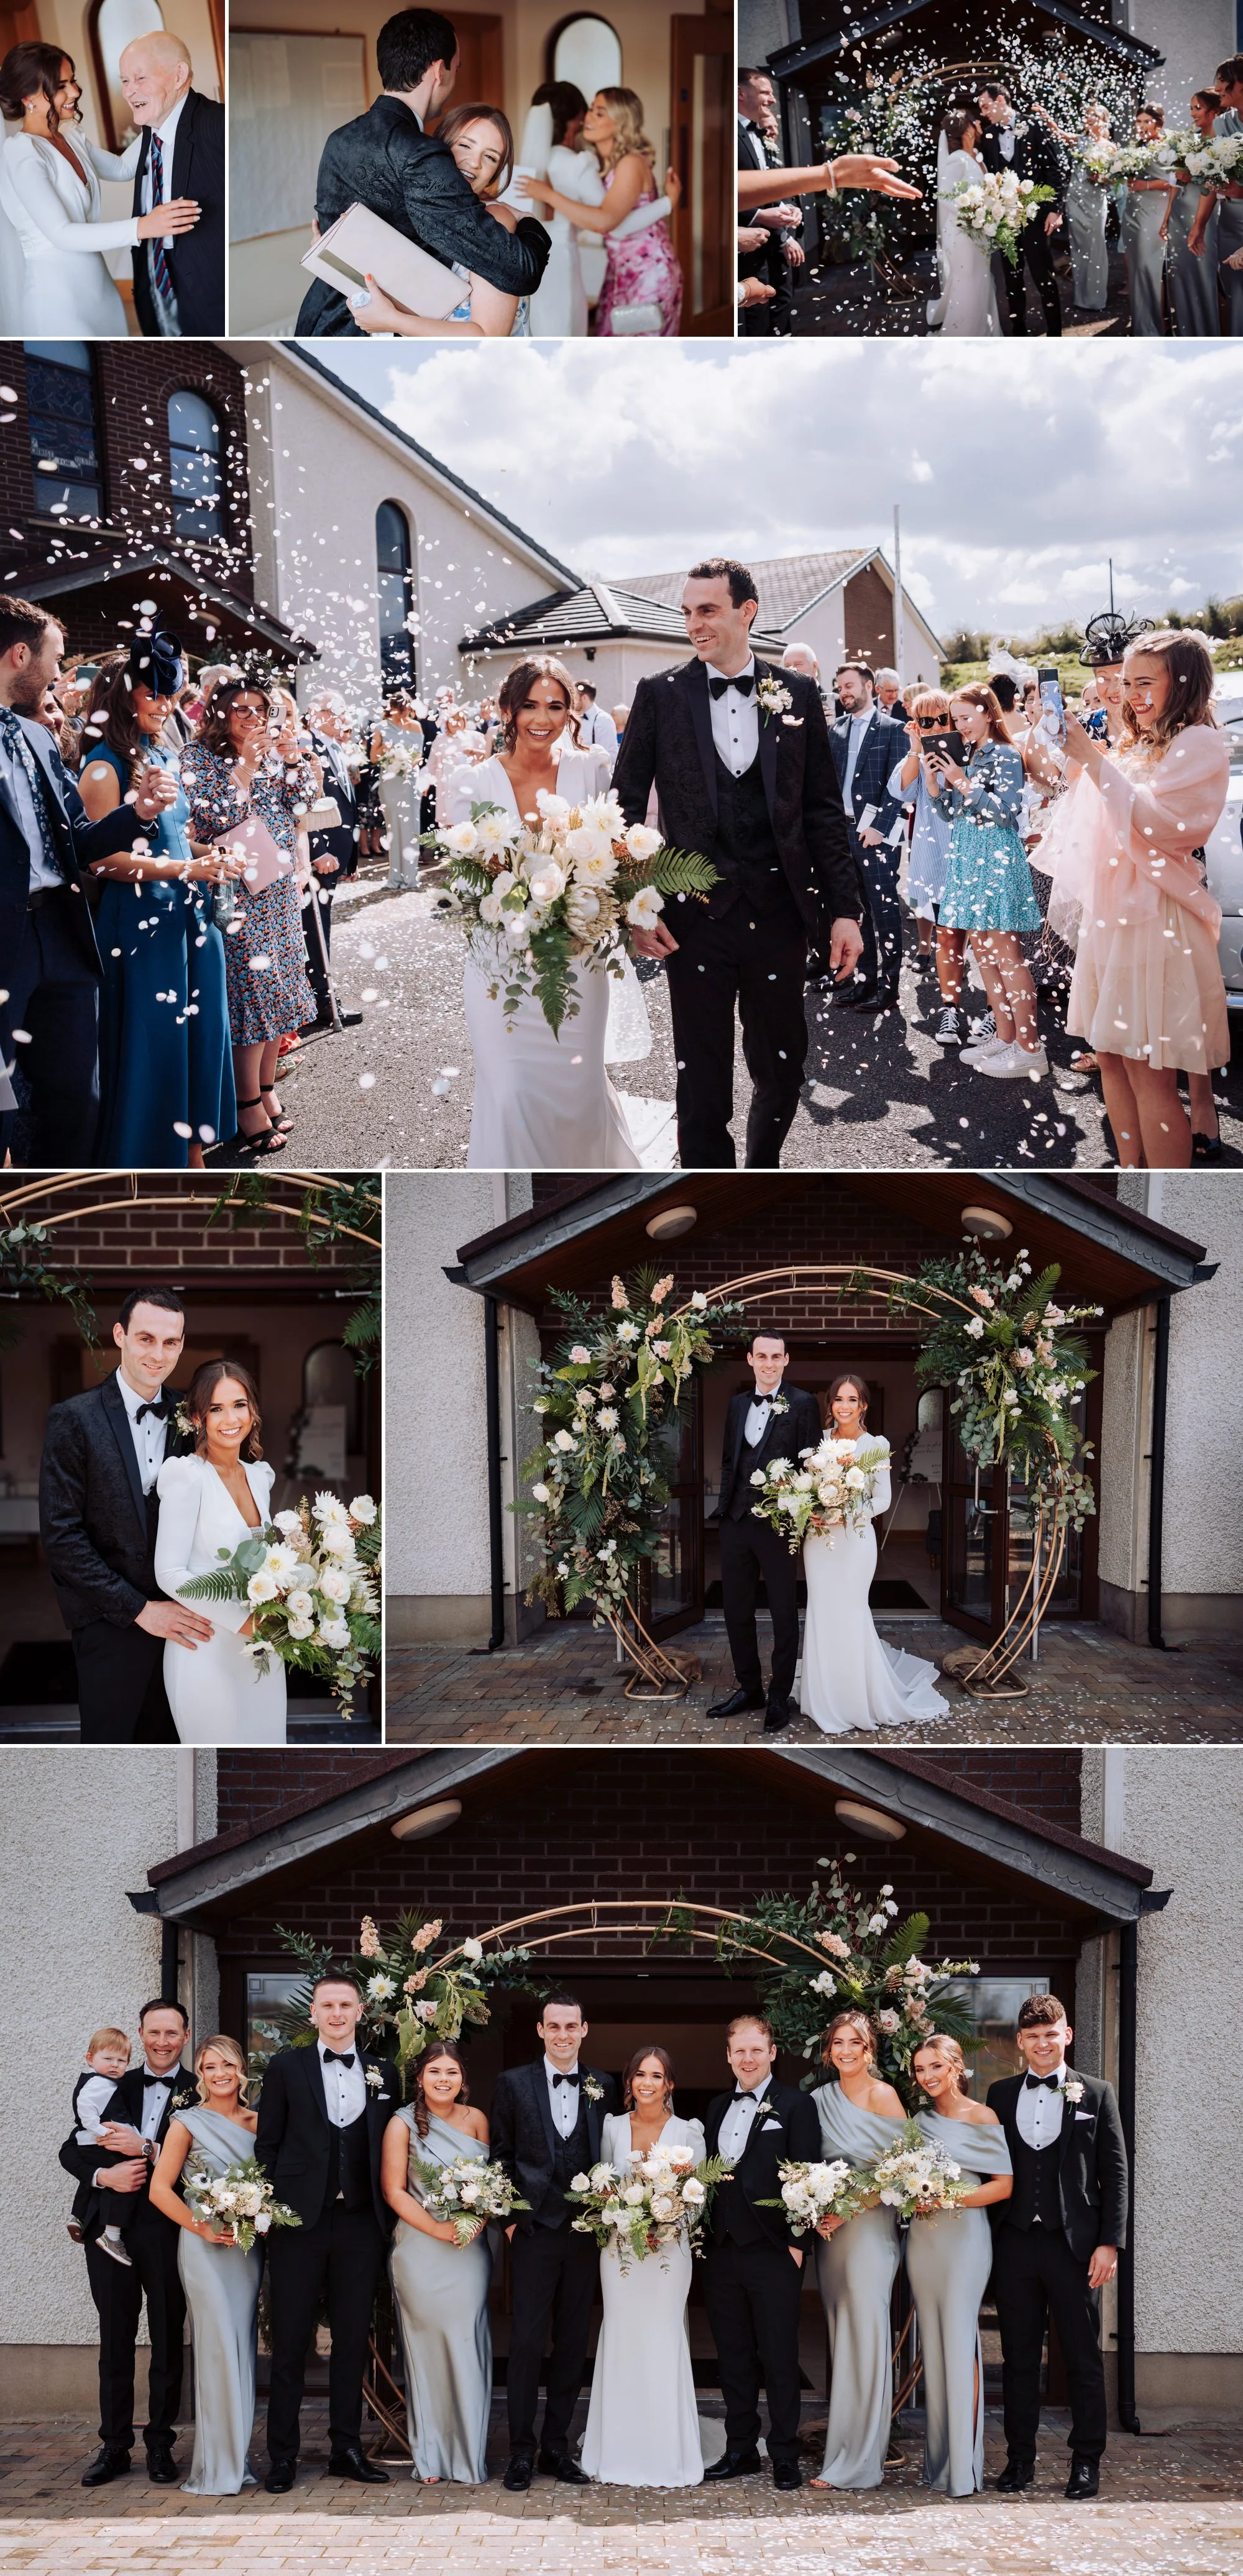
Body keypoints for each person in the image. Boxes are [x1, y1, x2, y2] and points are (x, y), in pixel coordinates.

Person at [613, 558, 863, 1167]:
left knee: (783, 1068)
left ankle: (762, 1169)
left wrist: (844, 911)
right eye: (687, 612)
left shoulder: (797, 692)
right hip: (692, 921)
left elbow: (822, 811)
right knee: (701, 1082)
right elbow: (623, 809)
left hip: (779, 915)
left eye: (708, 610)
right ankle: (711, 1188)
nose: (694, 624)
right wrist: (634, 908)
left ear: (746, 612)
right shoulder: (659, 695)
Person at [1042, 628, 1230, 1168]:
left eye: (1145, 682)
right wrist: (1078, 752)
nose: (1131, 695)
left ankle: (1166, 1192)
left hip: (1157, 916)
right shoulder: (1138, 741)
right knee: (1111, 1060)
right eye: (1126, 683)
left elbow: (1160, 825)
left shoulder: (1198, 742)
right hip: (1115, 914)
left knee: (1150, 1071)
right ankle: (1130, 1175)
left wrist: (1093, 760)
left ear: (1184, 682)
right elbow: (1099, 814)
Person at [0, 596, 177, 1163]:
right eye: (55, 659)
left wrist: (139, 812)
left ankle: (62, 1205)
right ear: (20, 655)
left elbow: (78, 837)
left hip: (61, 933)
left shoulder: (35, 737)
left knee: (77, 1098)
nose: (59, 674)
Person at [447, 654, 641, 1169]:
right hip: (499, 964)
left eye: (556, 706)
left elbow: (616, 858)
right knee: (511, 1092)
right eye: (530, 705)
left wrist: (593, 901)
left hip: (576, 960)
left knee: (578, 1089)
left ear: (570, 711)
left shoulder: (591, 768)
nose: (542, 718)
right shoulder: (472, 780)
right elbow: (461, 878)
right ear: (508, 710)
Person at [76, 633, 237, 1167]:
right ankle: (153, 1159)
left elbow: (174, 837)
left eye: (170, 696)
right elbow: (101, 860)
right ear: (123, 694)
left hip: (188, 914)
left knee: (199, 1033)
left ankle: (193, 1150)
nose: (166, 706)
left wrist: (213, 856)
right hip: (139, 924)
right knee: (158, 1041)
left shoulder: (162, 752)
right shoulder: (103, 767)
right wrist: (187, 868)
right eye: (154, 695)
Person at [296, 7, 549, 337]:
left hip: (321, 321)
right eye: (456, 68)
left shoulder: (339, 139)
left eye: (490, 157)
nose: (474, 162)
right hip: (374, 334)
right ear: (439, 71)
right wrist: (531, 224)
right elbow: (519, 271)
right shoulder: (422, 153)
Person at [39, 1287, 213, 1745]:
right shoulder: (74, 1419)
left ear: (182, 1344)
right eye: (145, 1339)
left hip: (187, 1622)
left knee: (180, 1746)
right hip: (109, 1624)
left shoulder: (193, 1416)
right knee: (113, 1749)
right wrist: (139, 1610)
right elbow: (61, 1536)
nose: (158, 1354)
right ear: (120, 1335)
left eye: (170, 1342)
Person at [256, 1973, 399, 2492]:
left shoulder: (384, 2071)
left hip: (360, 2222)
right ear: (314, 2013)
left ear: (361, 2011)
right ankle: (283, 2456)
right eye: (327, 2005)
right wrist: (273, 2208)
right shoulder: (285, 2067)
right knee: (291, 2341)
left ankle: (346, 2449)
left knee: (352, 2340)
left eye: (345, 2005)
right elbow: (267, 2144)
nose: (337, 2013)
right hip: (298, 2223)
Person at [986, 1993, 1127, 2501]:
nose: (1042, 2044)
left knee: (1083, 2358)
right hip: (1016, 2244)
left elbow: (1115, 2173)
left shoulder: (1097, 2093)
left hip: (1076, 2248)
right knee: (1018, 2359)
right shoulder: (1000, 2094)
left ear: (1066, 2035)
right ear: (1020, 2042)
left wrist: (1109, 2243)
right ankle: (1019, 2460)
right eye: (1033, 2036)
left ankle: (1086, 2462)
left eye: (1051, 2034)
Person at [57, 1997, 196, 2489]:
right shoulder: (113, 2079)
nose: (162, 2041)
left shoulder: (200, 2089)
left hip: (167, 2231)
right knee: (115, 2338)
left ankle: (160, 2443)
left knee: (167, 2337)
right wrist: (104, 2177)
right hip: (108, 2231)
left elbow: (207, 2164)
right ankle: (114, 2445)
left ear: (185, 2037)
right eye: (154, 2032)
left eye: (172, 2033)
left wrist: (150, 2150)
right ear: (141, 2035)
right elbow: (71, 2149)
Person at [181, 677, 317, 1156]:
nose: (254, 717)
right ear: (219, 711)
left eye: (261, 709)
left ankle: (265, 1088)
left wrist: (293, 761)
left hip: (277, 884)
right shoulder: (198, 756)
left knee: (278, 989)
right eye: (241, 708)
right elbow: (212, 816)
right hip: (237, 889)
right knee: (252, 993)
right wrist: (245, 767)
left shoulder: (273, 750)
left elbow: (300, 806)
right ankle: (245, 1105)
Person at [490, 1991, 617, 2490]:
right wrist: (512, 2220)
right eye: (554, 2026)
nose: (563, 2035)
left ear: (584, 2030)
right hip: (535, 2230)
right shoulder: (512, 2083)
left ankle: (556, 2448)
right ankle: (521, 2451)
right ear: (541, 2031)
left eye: (571, 2026)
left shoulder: (603, 2084)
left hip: (585, 2233)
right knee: (526, 2341)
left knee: (572, 2341)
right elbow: (501, 2154)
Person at [701, 2012, 820, 2492]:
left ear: (772, 2053)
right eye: (740, 2051)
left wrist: (797, 2244)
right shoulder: (716, 2107)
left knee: (779, 2357)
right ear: (729, 2056)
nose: (748, 2059)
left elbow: (808, 2175)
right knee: (733, 2357)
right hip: (722, 2251)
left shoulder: (796, 2105)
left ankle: (785, 2453)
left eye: (756, 2050)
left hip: (774, 2252)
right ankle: (741, 2450)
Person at [0, 43, 193, 334]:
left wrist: (157, 118)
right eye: (61, 86)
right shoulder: (21, 153)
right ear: (28, 97)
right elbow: (61, 233)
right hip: (57, 298)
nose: (75, 92)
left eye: (73, 80)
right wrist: (143, 226)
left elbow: (123, 168)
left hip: (100, 288)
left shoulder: (69, 136)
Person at [580, 2046, 707, 2486]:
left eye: (656, 2076)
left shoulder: (688, 2132)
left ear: (669, 2084)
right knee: (622, 2336)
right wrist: (620, 2216)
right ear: (629, 2082)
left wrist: (667, 2224)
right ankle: (617, 2449)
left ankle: (667, 2451)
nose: (647, 2083)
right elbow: (601, 2185)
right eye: (640, 2075)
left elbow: (699, 2198)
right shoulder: (612, 2127)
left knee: (662, 2337)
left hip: (669, 2252)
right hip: (621, 2252)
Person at [799, 1372, 949, 1729]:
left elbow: (882, 1499)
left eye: (852, 1400)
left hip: (855, 1541)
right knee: (821, 1612)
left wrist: (848, 1512)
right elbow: (806, 1488)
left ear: (863, 1405)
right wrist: (811, 1510)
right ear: (830, 1404)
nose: (845, 1406)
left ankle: (856, 1697)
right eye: (839, 1399)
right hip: (819, 1542)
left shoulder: (876, 1445)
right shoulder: (818, 1442)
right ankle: (824, 1692)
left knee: (851, 1611)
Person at [148, 2034, 262, 2495]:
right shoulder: (186, 2123)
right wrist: (202, 2228)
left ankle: (237, 2458)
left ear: (241, 2070)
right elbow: (160, 2190)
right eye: (210, 2066)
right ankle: (216, 2467)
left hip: (245, 2250)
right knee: (217, 2350)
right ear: (200, 2074)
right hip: (204, 2248)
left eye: (227, 2065)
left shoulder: (260, 2123)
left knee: (242, 2348)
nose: (220, 2074)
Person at [154, 1360, 286, 1747]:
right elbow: (169, 1573)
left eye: (239, 1405)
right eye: (216, 1408)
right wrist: (246, 1623)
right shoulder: (186, 1476)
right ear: (198, 1417)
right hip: (206, 1650)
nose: (231, 1419)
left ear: (253, 1410)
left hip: (265, 1653)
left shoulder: (260, 1476)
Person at [906, 2034, 1013, 2496]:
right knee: (934, 2347)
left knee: (960, 2342)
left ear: (955, 2066)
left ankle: (964, 2468)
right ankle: (940, 2464)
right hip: (923, 2243)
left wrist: (949, 2197)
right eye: (920, 2069)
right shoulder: (917, 2123)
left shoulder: (982, 2116)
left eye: (935, 2066)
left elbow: (1003, 2185)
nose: (927, 2076)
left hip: (966, 2242)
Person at [382, 2041, 493, 2484]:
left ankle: (469, 2456)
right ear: (420, 2078)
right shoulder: (401, 2123)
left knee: (467, 2346)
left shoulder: (477, 2119)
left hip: (469, 2252)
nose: (443, 2080)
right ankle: (430, 2457)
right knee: (427, 2354)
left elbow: (492, 2183)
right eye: (435, 2072)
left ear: (462, 2078)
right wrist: (438, 2228)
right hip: (421, 2250)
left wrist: (478, 2218)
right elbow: (394, 2190)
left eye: (451, 2072)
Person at [810, 2011, 907, 2491]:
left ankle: (861, 2461)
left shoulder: (884, 2096)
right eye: (838, 2043)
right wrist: (811, 2205)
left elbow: (904, 2170)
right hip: (831, 2237)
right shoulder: (818, 2100)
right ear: (829, 2051)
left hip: (869, 2232)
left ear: (870, 2050)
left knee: (866, 2341)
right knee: (841, 2342)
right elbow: (806, 2164)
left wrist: (850, 2208)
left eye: (855, 2043)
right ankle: (841, 2452)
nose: (846, 2051)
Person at [930, 683, 1046, 1080]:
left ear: (988, 713)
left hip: (995, 858)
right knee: (984, 956)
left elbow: (1007, 813)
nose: (959, 725)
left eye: (966, 717)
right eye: (956, 719)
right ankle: (1006, 1036)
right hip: (967, 857)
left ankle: (1030, 1048)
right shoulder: (968, 754)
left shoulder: (1007, 755)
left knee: (1008, 956)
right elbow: (953, 813)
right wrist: (935, 786)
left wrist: (962, 782)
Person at [707, 1329, 820, 1734]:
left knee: (783, 1612)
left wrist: (799, 1512)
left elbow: (811, 1463)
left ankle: (779, 1696)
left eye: (776, 1356)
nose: (769, 1363)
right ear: (750, 1360)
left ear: (786, 1360)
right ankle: (750, 1689)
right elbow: (729, 1460)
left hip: (778, 1525)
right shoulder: (738, 1404)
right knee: (736, 1610)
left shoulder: (804, 1403)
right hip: (736, 1523)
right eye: (762, 1356)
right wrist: (725, 1508)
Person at [352, 104, 533, 336]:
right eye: (465, 145)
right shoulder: (419, 208)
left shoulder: (496, 220)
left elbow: (490, 336)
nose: (475, 163)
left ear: (494, 175)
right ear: (438, 150)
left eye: (490, 157)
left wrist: (393, 321)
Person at [523, 87, 682, 336]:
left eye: (600, 113)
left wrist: (549, 195)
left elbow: (610, 223)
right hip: (620, 271)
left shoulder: (630, 163)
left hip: (648, 271)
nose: (588, 118)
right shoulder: (608, 163)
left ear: (621, 121)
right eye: (590, 110)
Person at [121, 32, 224, 334]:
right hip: (159, 289)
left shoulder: (219, 125)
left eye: (140, 78)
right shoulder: (151, 128)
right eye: (124, 80)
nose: (129, 91)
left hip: (213, 301)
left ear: (179, 75)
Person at [828, 662, 908, 1012]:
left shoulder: (894, 729)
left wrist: (880, 827)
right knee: (855, 911)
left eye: (848, 686)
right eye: (839, 688)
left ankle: (889, 989)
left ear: (868, 686)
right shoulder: (836, 729)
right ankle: (865, 982)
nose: (843, 693)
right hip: (842, 832)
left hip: (876, 835)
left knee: (885, 911)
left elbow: (900, 785)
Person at [976, 81, 1065, 336]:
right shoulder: (989, 136)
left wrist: (1055, 209)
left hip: (1036, 217)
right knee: (1012, 280)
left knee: (1044, 277)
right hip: (1005, 220)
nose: (983, 113)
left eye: (985, 106)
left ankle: (1056, 334)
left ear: (1001, 100)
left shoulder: (1034, 126)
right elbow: (989, 175)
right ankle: (1019, 333)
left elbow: (1053, 168)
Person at [303, 692, 363, 1031]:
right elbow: (305, 806)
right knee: (314, 928)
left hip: (334, 856)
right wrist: (317, 852)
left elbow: (346, 808)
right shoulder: (307, 747)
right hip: (317, 857)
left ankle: (320, 997)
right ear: (317, 714)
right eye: (334, 711)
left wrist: (349, 858)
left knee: (321, 924)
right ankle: (321, 1001)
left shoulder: (336, 748)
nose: (342, 717)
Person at [892, 690, 953, 982]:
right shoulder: (917, 755)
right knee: (923, 893)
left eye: (943, 718)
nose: (937, 726)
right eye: (927, 722)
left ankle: (951, 954)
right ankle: (925, 946)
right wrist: (915, 748)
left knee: (954, 901)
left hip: (959, 838)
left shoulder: (966, 750)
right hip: (928, 836)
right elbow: (903, 791)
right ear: (917, 724)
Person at [927, 110, 1002, 336]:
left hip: (979, 233)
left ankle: (984, 332)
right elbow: (944, 195)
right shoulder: (957, 158)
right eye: (974, 121)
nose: (979, 123)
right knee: (968, 284)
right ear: (968, 129)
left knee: (981, 282)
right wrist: (974, 215)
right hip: (962, 233)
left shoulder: (976, 156)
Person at [1032, 99, 1111, 314]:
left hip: (1095, 201)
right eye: (1087, 116)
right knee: (1078, 247)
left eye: (1094, 116)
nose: (1089, 119)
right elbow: (1058, 133)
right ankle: (1081, 296)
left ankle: (1096, 298)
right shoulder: (1080, 141)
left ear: (1104, 121)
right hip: (1075, 199)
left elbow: (1114, 180)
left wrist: (1101, 177)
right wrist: (1046, 117)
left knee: (1095, 246)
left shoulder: (1109, 147)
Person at [70, 2027, 139, 2267]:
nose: (115, 2065)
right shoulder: (100, 2084)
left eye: (121, 2061)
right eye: (108, 2059)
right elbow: (85, 2108)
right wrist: (101, 2130)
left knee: (100, 2176)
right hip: (101, 2142)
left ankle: (78, 2216)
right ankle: (112, 2235)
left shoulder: (103, 2081)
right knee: (126, 2180)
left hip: (93, 2144)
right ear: (90, 2059)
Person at [1189, 55, 1243, 335]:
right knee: (1236, 297)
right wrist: (1199, 225)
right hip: (1231, 224)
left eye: (1223, 80)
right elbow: (1213, 176)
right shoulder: (1222, 124)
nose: (1218, 86)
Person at [1167, 93, 1220, 337]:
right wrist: (1167, 217)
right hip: (1180, 213)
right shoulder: (1190, 141)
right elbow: (1175, 183)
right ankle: (1187, 332)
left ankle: (1210, 333)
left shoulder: (1226, 143)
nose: (1192, 113)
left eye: (1198, 108)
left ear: (1215, 111)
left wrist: (1193, 176)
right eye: (1191, 108)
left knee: (1207, 274)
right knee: (1182, 274)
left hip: (1206, 216)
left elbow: (1218, 183)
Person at [1120, 105, 1175, 337]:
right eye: (1138, 121)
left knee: (1149, 269)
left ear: (1158, 123)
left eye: (1146, 121)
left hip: (1154, 213)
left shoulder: (1167, 146)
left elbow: (1175, 181)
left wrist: (1146, 185)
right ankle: (1142, 324)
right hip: (1133, 211)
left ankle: (1155, 327)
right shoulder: (1137, 146)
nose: (1141, 126)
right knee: (1136, 270)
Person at [576, 682, 618, 757]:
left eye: (575, 697)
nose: (572, 702)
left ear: (584, 698)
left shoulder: (604, 720)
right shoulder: (575, 718)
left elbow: (611, 755)